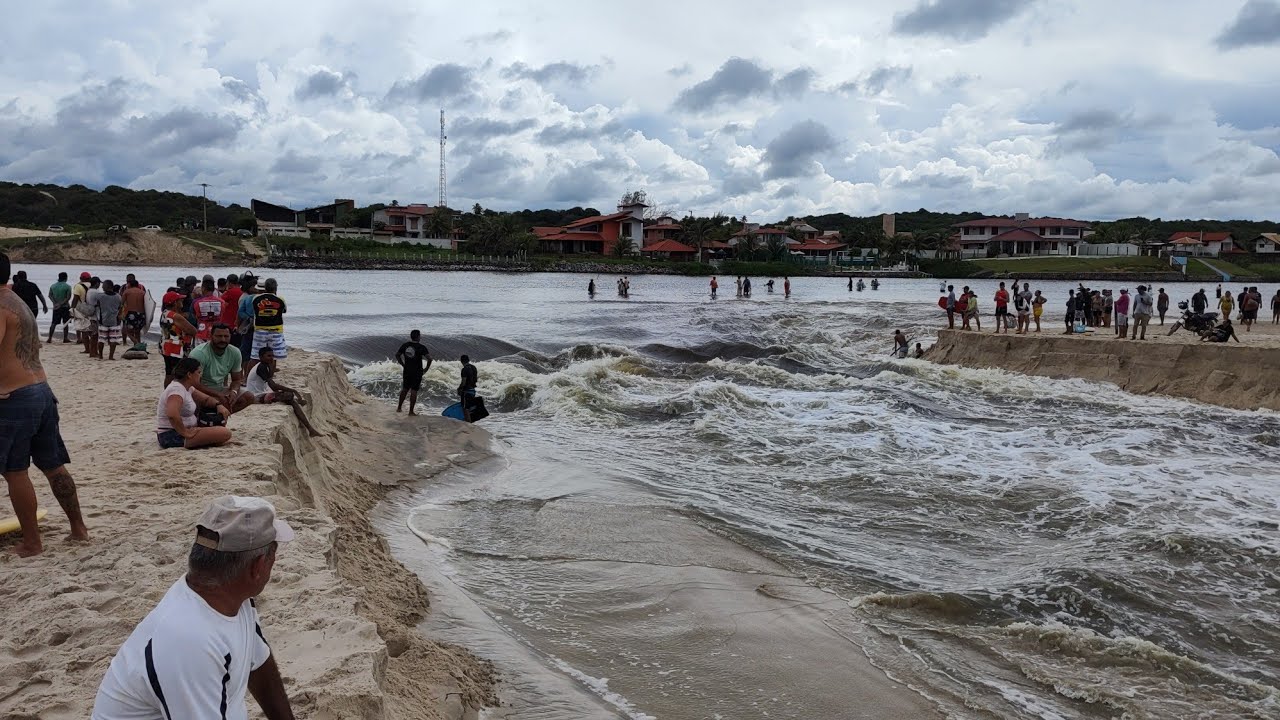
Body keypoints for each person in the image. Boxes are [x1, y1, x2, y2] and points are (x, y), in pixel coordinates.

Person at [92, 496, 295, 718]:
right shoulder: (189, 640)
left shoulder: (231, 598)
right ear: (258, 567)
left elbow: (259, 665)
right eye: (273, 554)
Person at [1, 253, 91, 558]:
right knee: (53, 465)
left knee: (14, 470)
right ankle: (78, 529)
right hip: (41, 390)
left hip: (14, 398)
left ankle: (32, 543)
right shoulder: (17, 301)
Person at [154, 357, 233, 449]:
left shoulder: (187, 388)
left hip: (182, 430)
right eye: (198, 373)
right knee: (225, 433)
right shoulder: (176, 390)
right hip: (171, 434)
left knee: (216, 423)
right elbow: (172, 414)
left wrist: (218, 405)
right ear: (189, 374)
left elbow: (206, 400)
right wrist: (184, 432)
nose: (200, 376)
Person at [246, 347, 322, 437]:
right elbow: (273, 386)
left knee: (288, 397)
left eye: (272, 356)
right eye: (268, 356)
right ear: (261, 357)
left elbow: (272, 386)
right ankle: (310, 429)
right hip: (256, 396)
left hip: (262, 391)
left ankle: (310, 428)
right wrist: (293, 390)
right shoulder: (261, 367)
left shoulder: (264, 365)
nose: (271, 358)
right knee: (289, 396)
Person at [190, 324, 252, 412]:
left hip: (219, 389)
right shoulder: (200, 353)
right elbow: (194, 384)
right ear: (211, 336)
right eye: (219, 336)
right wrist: (218, 395)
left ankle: (220, 416)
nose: (223, 339)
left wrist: (233, 392)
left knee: (248, 397)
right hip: (199, 390)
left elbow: (237, 380)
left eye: (226, 336)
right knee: (215, 401)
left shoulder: (235, 352)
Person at [160, 291, 197, 386]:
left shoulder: (165, 313)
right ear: (175, 303)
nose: (182, 301)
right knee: (179, 374)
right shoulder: (176, 316)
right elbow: (193, 331)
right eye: (180, 300)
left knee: (169, 373)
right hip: (176, 348)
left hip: (166, 346)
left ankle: (167, 393)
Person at [249, 278, 287, 371]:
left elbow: (253, 311)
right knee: (272, 356)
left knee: (255, 355)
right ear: (276, 288)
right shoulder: (280, 299)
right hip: (276, 331)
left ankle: (249, 376)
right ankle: (270, 376)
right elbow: (284, 310)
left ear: (265, 287)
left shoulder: (256, 298)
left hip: (260, 331)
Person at [396, 330, 432, 416]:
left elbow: (397, 355)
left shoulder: (405, 345)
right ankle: (411, 412)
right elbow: (429, 358)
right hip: (417, 371)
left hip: (407, 370)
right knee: (414, 390)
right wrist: (426, 368)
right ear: (418, 336)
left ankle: (399, 408)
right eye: (420, 336)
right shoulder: (421, 347)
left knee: (405, 389)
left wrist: (402, 364)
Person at [93, 279, 125, 360]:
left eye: (103, 286)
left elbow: (97, 305)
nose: (102, 287)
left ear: (107, 286)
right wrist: (119, 316)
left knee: (101, 339)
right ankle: (111, 356)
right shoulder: (118, 296)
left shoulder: (100, 296)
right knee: (113, 340)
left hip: (102, 321)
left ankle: (101, 355)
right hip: (114, 321)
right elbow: (120, 307)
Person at [237, 273, 259, 375]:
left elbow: (240, 313)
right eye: (254, 286)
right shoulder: (246, 298)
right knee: (246, 353)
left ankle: (245, 374)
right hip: (249, 328)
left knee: (247, 353)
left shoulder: (247, 298)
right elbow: (240, 313)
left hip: (250, 327)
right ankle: (244, 374)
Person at [120, 275, 148, 347]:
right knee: (137, 331)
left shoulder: (127, 291)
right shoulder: (143, 292)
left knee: (127, 330)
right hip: (141, 313)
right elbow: (147, 303)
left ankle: (136, 343)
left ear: (130, 285)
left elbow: (121, 303)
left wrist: (119, 313)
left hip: (131, 313)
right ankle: (139, 344)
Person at [194, 276, 224, 343]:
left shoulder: (197, 303)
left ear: (203, 288)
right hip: (216, 333)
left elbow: (196, 316)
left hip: (202, 333)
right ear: (214, 289)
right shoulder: (222, 302)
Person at [46, 271, 72, 343]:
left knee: (53, 323)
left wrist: (55, 303)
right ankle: (65, 338)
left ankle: (49, 338)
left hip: (56, 307)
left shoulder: (53, 286)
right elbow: (68, 297)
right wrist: (61, 304)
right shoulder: (67, 286)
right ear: (66, 278)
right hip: (65, 307)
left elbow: (50, 295)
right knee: (65, 323)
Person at [220, 273, 244, 349]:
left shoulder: (230, 292)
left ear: (229, 283)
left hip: (228, 324)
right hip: (240, 324)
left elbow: (219, 301)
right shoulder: (243, 292)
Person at [458, 354, 478, 422]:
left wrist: (459, 388)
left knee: (465, 409)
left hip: (466, 391)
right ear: (468, 360)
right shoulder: (474, 367)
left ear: (461, 361)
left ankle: (468, 425)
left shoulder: (464, 369)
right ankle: (470, 424)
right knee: (469, 409)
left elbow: (464, 382)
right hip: (473, 391)